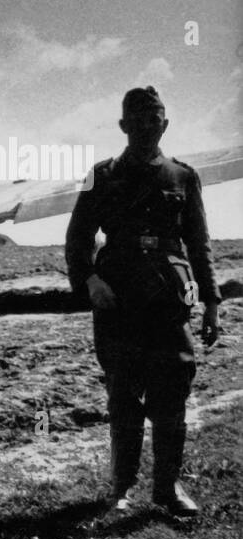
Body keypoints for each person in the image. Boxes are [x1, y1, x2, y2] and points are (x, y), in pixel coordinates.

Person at [65, 86, 221, 516]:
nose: (145, 128)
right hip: (118, 299)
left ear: (164, 125)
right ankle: (121, 488)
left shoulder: (183, 177)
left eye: (154, 120)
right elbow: (78, 238)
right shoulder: (103, 174)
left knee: (172, 394)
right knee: (122, 393)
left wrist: (210, 301)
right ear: (123, 126)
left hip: (169, 299)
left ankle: (168, 488)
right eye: (136, 121)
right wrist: (91, 280)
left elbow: (198, 242)